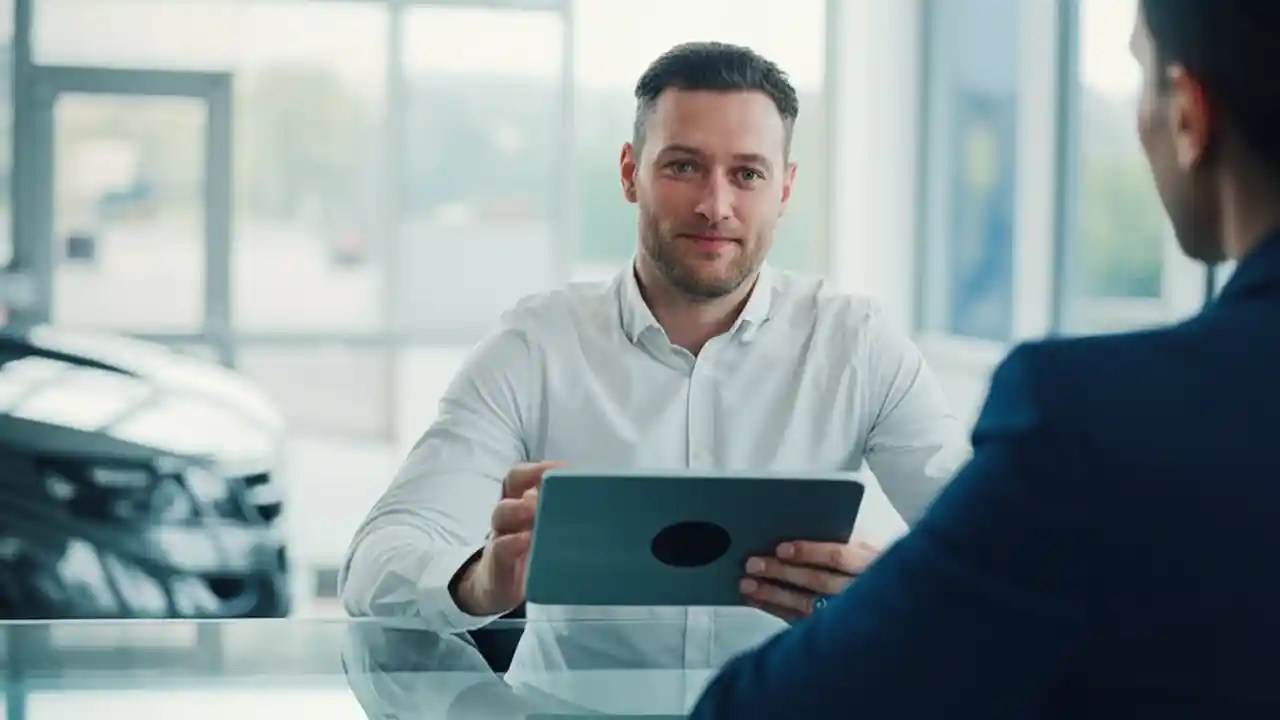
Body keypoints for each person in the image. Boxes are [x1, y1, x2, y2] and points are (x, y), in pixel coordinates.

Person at [691, 1, 1280, 717]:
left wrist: (890, 602)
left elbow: (764, 708)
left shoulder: (1090, 425)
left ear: (1189, 113)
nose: (715, 204)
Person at [340, 41, 968, 689]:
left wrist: (889, 588)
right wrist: (480, 580)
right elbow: (374, 561)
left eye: (747, 174)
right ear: (628, 172)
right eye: (684, 166)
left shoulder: (858, 343)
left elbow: (996, 549)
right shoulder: (537, 345)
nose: (714, 205)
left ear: (785, 187)